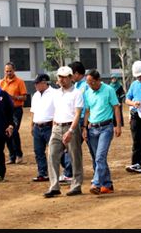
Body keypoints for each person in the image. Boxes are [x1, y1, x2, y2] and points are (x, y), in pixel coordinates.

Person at [43, 66, 85, 198]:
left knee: (75, 157)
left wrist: (71, 130)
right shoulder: (56, 93)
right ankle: (54, 186)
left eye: (64, 77)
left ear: (71, 78)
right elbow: (55, 111)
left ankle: (76, 185)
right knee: (52, 155)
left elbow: (77, 114)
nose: (61, 79)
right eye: (59, 77)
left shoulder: (77, 93)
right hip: (57, 127)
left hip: (70, 127)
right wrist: (54, 125)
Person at [82, 70, 123, 194]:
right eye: (88, 82)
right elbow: (87, 111)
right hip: (92, 129)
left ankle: (96, 183)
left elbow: (116, 107)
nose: (90, 85)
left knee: (100, 157)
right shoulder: (87, 93)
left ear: (98, 80)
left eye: (92, 82)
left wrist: (118, 125)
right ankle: (107, 184)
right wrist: (84, 128)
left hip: (106, 128)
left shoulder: (109, 90)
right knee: (98, 158)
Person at [30, 74, 55, 182]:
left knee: (55, 151)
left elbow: (58, 110)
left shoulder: (54, 93)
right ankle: (42, 173)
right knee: (38, 151)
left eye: (37, 83)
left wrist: (55, 125)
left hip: (49, 126)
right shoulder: (35, 95)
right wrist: (32, 125)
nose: (35, 85)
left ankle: (67, 171)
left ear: (44, 83)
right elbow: (33, 111)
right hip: (37, 126)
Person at [1, 62, 27, 165]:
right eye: (7, 71)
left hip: (16, 110)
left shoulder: (20, 82)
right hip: (5, 111)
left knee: (14, 131)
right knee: (7, 132)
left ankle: (19, 155)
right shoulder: (1, 82)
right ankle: (12, 156)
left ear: (14, 70)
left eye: (10, 71)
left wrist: (13, 97)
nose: (8, 73)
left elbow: (24, 97)